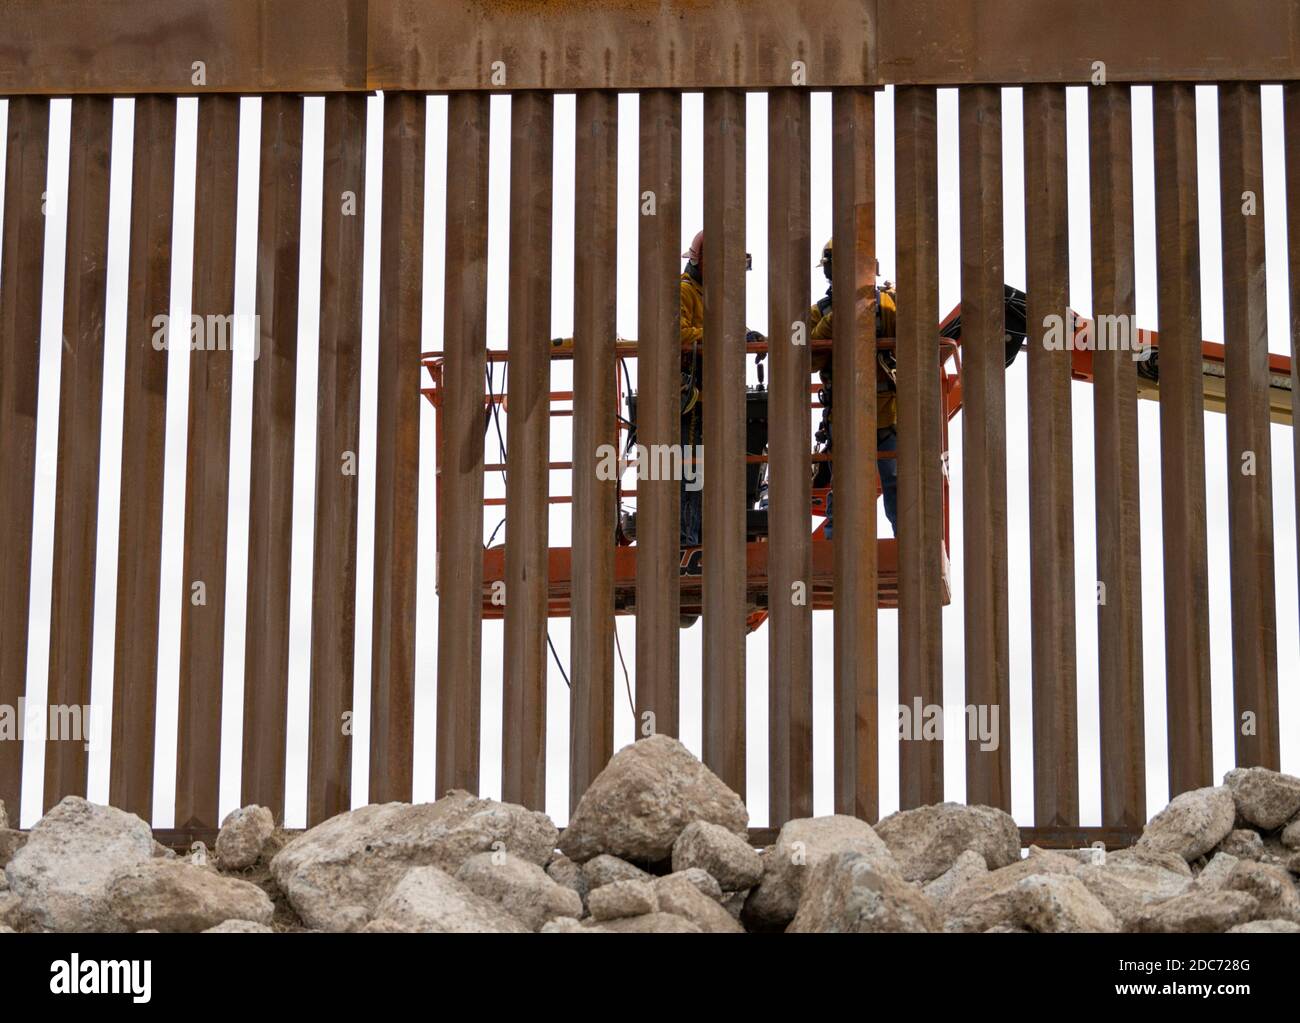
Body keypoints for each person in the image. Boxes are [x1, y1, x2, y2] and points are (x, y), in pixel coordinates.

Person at [676, 230, 765, 547]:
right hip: (689, 399)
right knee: (690, 472)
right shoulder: (684, 291)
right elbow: (681, 333)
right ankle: (687, 543)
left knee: (709, 472)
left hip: (711, 400)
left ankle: (704, 538)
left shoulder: (712, 296)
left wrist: (747, 334)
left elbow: (727, 329)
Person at [808, 238, 900, 538]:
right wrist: (837, 319)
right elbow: (807, 359)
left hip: (885, 415)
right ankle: (838, 551)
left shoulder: (886, 304)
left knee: (898, 486)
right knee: (845, 490)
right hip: (846, 417)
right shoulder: (820, 312)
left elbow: (912, 342)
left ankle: (908, 549)